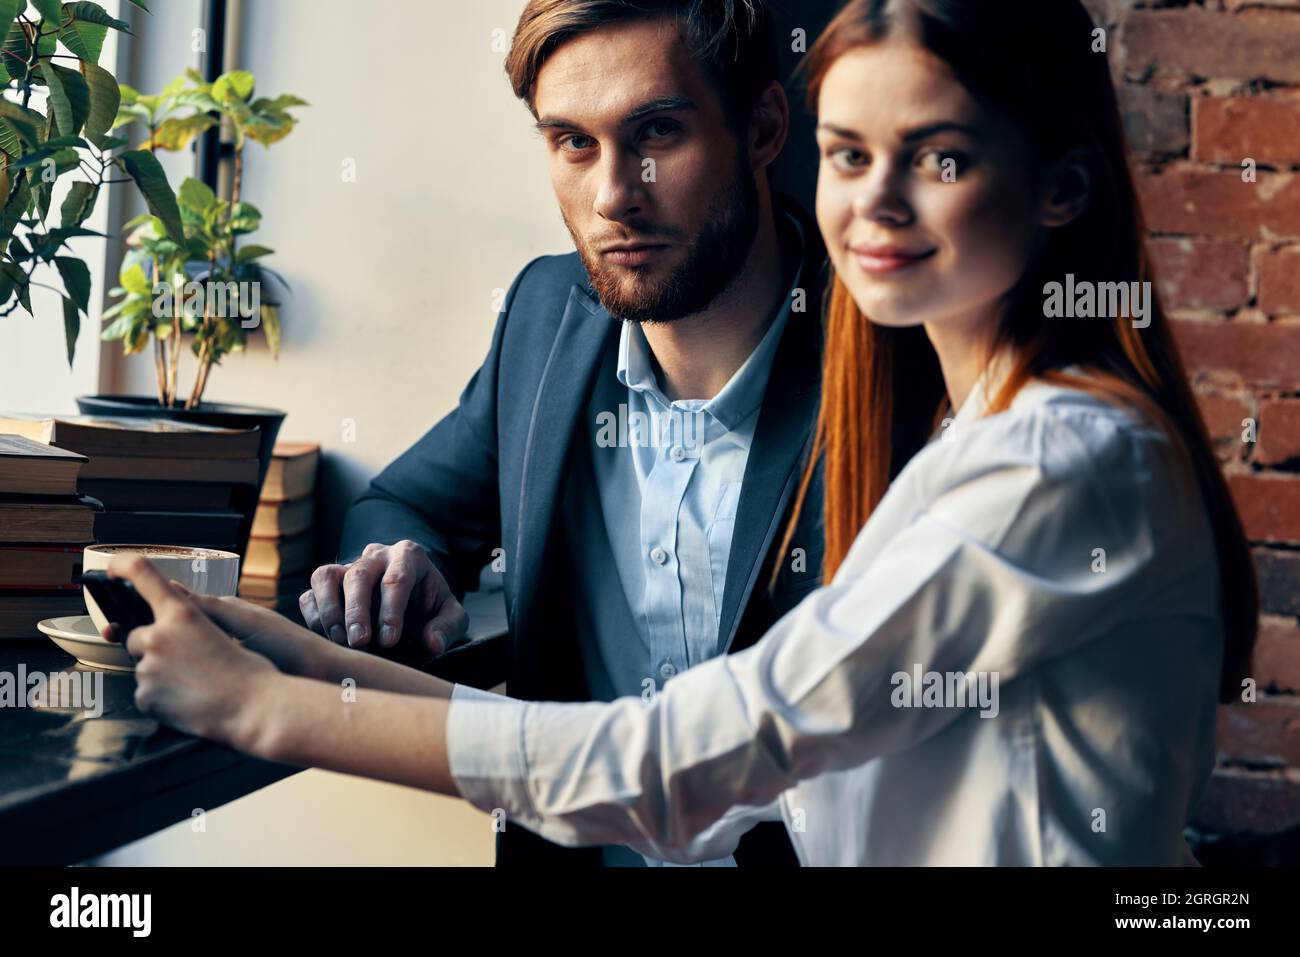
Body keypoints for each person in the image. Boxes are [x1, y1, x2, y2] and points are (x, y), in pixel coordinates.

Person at [104, 0, 1257, 865]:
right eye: (849, 155)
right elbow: (727, 766)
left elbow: (689, 757)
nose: (876, 204)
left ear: (1058, 189)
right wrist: (294, 651)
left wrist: (271, 710)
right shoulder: (992, 439)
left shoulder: (1057, 458)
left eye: (939, 156)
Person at [300, 0, 828, 868]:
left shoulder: (884, 348)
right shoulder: (547, 318)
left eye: (657, 132)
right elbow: (401, 501)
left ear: (763, 126)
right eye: (573, 143)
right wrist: (406, 567)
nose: (614, 194)